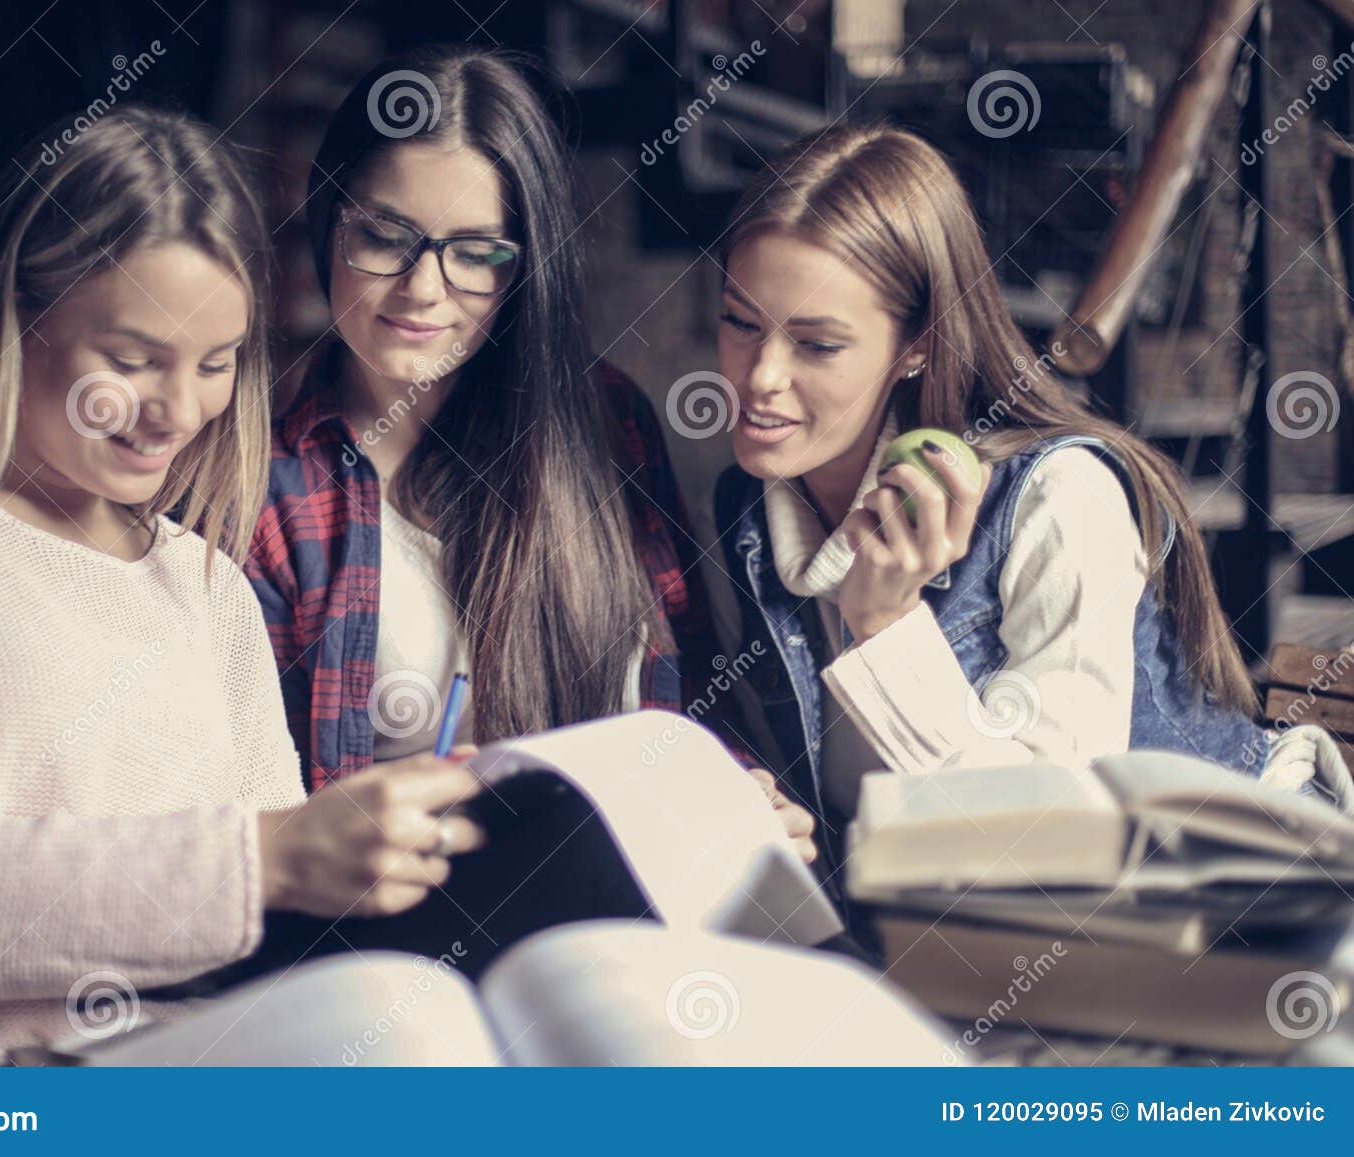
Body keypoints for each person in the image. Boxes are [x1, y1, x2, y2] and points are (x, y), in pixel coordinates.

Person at [0, 105, 485, 1067]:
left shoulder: (209, 586)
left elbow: (264, 938)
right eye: (132, 361)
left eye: (216, 364)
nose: (177, 413)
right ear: (14, 319)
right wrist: (265, 858)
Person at [709, 123, 1352, 882]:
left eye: (816, 344)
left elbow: (1053, 840)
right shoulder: (755, 511)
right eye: (741, 322)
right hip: (950, 927)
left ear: (917, 345)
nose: (760, 377)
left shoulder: (1060, 495)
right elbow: (838, 796)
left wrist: (886, 627)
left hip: (1224, 891)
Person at [248, 45, 815, 859]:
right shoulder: (265, 483)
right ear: (325, 218)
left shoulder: (606, 420)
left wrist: (740, 790)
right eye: (383, 235)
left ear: (525, 268)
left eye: (477, 253)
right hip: (396, 939)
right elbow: (264, 817)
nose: (423, 289)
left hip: (618, 899)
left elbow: (686, 697)